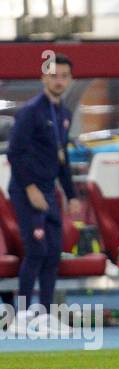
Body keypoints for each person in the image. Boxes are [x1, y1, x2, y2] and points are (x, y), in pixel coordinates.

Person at [5, 54, 80, 323]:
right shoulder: (30, 111)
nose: (58, 81)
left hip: (50, 191)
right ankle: (22, 314)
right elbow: (15, 153)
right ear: (43, 77)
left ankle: (45, 314)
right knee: (36, 250)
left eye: (63, 76)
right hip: (27, 191)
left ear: (70, 80)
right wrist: (30, 188)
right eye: (53, 76)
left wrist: (71, 194)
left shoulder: (64, 114)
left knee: (52, 252)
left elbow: (62, 157)